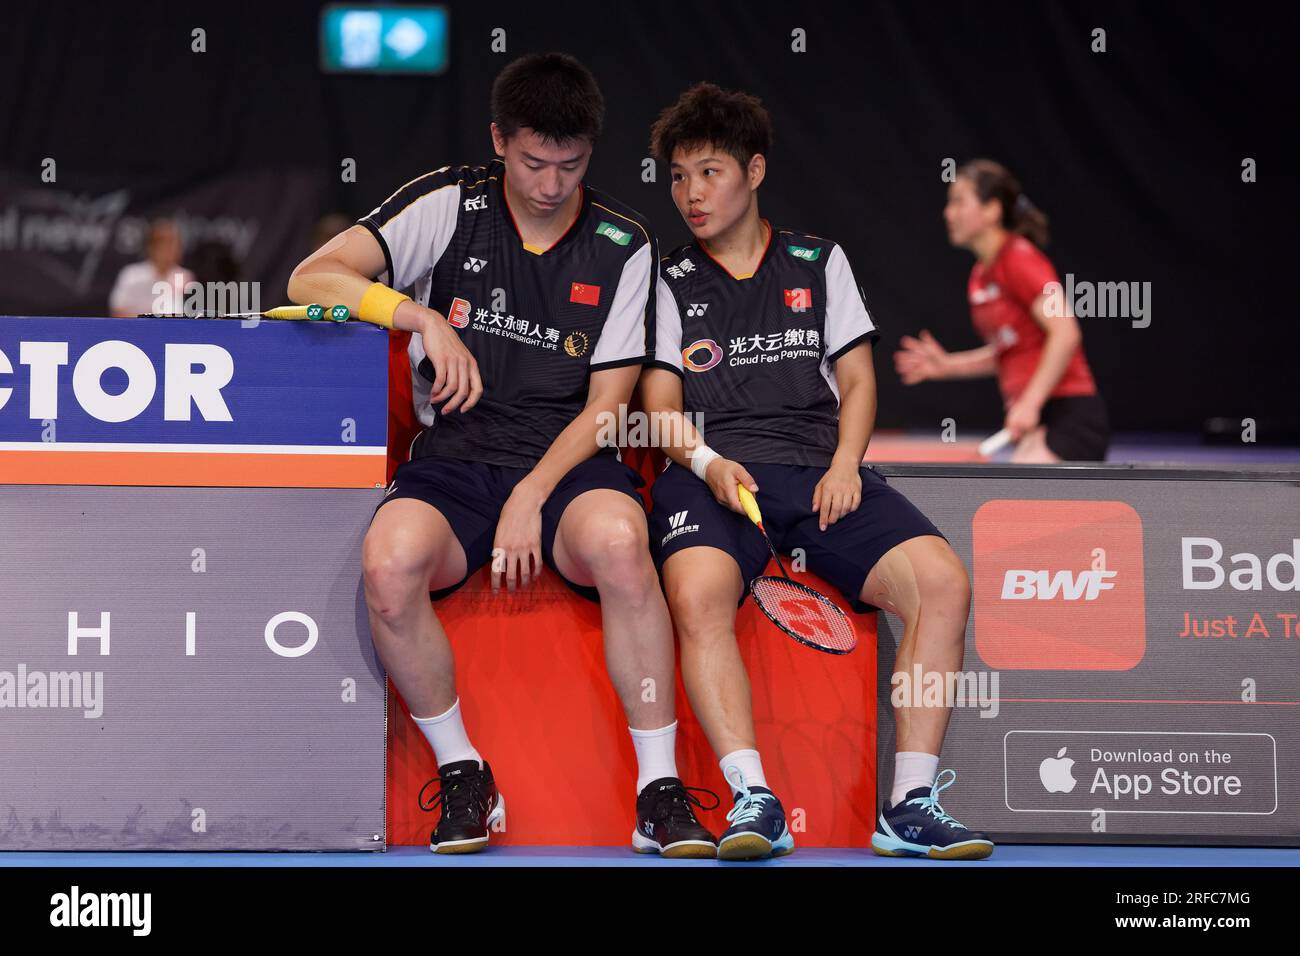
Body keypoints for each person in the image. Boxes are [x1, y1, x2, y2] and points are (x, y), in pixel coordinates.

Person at [287, 53, 716, 857]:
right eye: (531, 162)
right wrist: (420, 319)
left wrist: (532, 495)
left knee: (624, 547)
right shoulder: (451, 202)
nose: (551, 183)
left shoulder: (624, 243)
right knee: (388, 568)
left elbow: (607, 408)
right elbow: (317, 272)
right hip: (455, 454)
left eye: (571, 164)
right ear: (498, 141)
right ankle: (463, 773)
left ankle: (657, 789)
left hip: (570, 461)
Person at [640, 82, 994, 860]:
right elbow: (659, 403)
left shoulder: (817, 259)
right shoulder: (665, 277)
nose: (690, 194)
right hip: (713, 473)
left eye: (708, 172)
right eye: (676, 176)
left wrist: (845, 464)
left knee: (943, 583)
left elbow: (861, 381)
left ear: (754, 170)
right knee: (697, 594)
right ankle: (752, 798)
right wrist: (705, 461)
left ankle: (909, 803)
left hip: (816, 467)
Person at [894, 160, 1109, 462]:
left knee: (1018, 502)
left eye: (958, 201)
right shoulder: (980, 275)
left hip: (1070, 415)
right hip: (1036, 419)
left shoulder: (1019, 259)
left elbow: (1065, 332)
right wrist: (948, 366)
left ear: (992, 210)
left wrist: (1031, 403)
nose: (948, 212)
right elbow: (1011, 349)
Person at [108, 219, 194, 317]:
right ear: (151, 247)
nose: (171, 250)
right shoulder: (131, 274)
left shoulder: (185, 276)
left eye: (175, 244)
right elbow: (117, 311)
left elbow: (190, 316)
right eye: (165, 244)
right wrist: (149, 321)